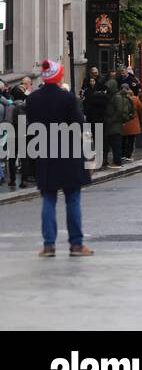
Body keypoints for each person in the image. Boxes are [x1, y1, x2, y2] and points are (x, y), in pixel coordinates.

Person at [26, 61, 94, 257]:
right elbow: (80, 126)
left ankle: (48, 246)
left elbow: (31, 127)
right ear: (58, 76)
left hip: (45, 154)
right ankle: (76, 244)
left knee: (48, 199)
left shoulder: (33, 99)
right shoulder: (68, 99)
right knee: (72, 200)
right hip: (69, 154)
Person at [120, 83, 142, 163]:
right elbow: (141, 110)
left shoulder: (119, 99)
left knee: (122, 140)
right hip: (133, 122)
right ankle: (128, 156)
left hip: (122, 123)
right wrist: (138, 119)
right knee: (131, 140)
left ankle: (122, 155)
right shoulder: (135, 99)